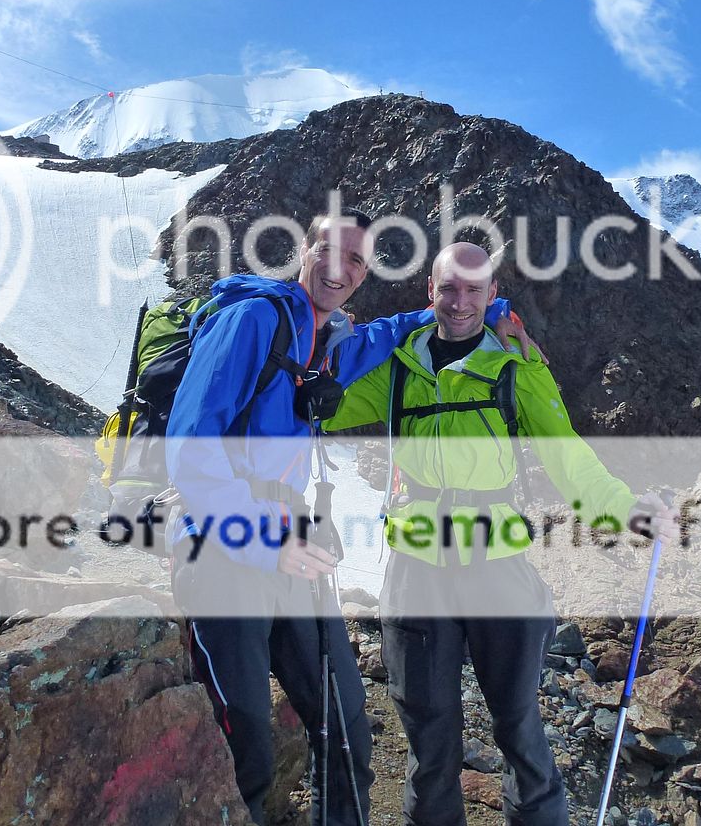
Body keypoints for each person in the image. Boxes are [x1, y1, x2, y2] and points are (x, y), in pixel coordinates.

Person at [165, 214, 531, 826]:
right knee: (246, 737)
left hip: (292, 545)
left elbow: (410, 323)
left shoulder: (328, 340)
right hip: (221, 547)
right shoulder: (251, 320)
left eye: (357, 261)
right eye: (329, 251)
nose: (341, 269)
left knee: (345, 722)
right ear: (304, 251)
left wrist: (496, 309)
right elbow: (188, 451)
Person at [323, 242, 677, 826]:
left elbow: (566, 455)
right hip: (418, 570)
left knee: (517, 724)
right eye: (447, 289)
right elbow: (318, 409)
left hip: (498, 565)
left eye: (472, 290)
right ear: (428, 293)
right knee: (428, 736)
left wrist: (623, 508)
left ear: (491, 294)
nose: (459, 301)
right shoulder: (396, 368)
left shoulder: (517, 365)